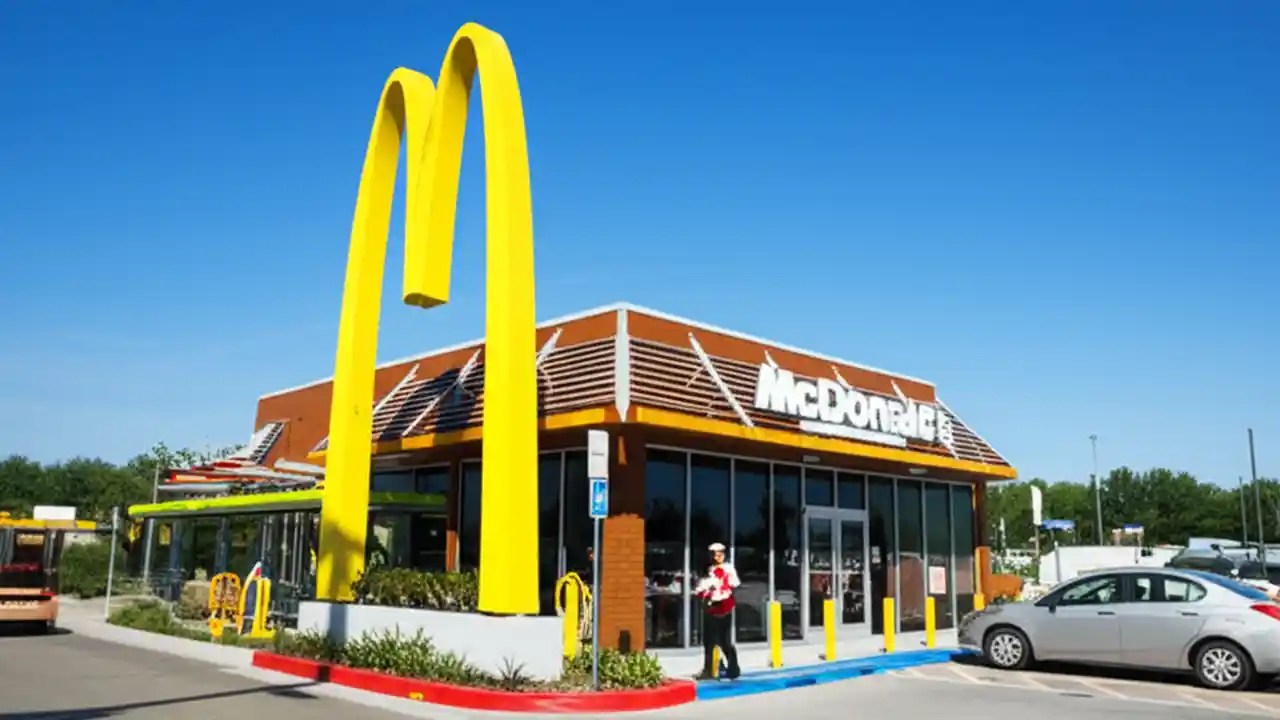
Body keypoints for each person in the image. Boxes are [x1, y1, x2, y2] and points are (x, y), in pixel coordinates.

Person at [694, 542, 741, 680]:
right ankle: (708, 670)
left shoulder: (728, 569)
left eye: (721, 553)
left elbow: (734, 584)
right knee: (708, 641)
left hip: (723, 606)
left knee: (724, 639)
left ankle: (733, 668)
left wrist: (722, 583)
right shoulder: (708, 570)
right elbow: (702, 587)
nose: (718, 556)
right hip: (710, 605)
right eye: (715, 554)